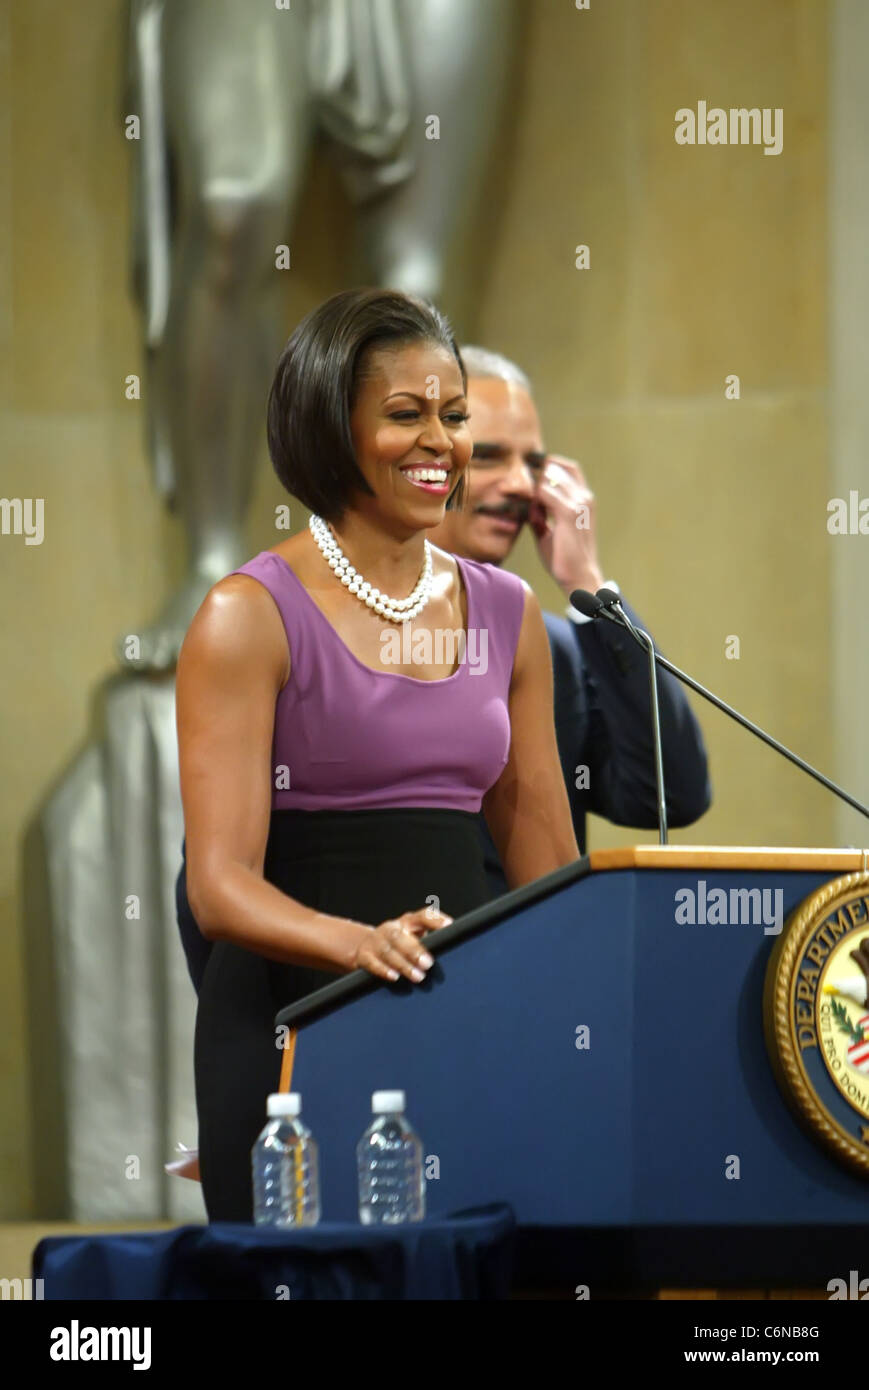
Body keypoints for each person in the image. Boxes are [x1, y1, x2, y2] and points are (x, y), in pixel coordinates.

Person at [175, 289, 580, 1221]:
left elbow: (550, 870)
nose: (440, 442)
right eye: (404, 415)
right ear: (331, 427)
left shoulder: (511, 617)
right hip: (295, 1026)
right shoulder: (248, 615)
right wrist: (364, 946)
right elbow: (218, 887)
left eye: (452, 415)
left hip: (465, 1016)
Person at [427, 348, 711, 895]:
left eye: (534, 465)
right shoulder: (339, 629)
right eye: (488, 457)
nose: (520, 485)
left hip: (539, 966)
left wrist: (589, 586)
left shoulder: (555, 647)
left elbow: (671, 793)